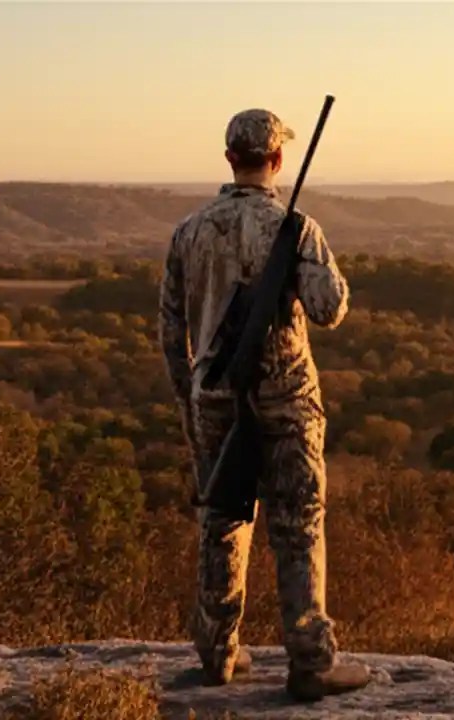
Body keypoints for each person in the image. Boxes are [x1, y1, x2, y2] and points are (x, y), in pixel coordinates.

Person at [157, 108, 370, 701]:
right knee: (298, 526)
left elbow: (172, 329)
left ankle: (218, 653)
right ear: (277, 161)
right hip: (288, 398)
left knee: (222, 521)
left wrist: (189, 400)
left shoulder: (190, 230)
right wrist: (301, 260)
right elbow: (330, 308)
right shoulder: (296, 227)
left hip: (212, 394)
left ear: (231, 158)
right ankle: (310, 659)